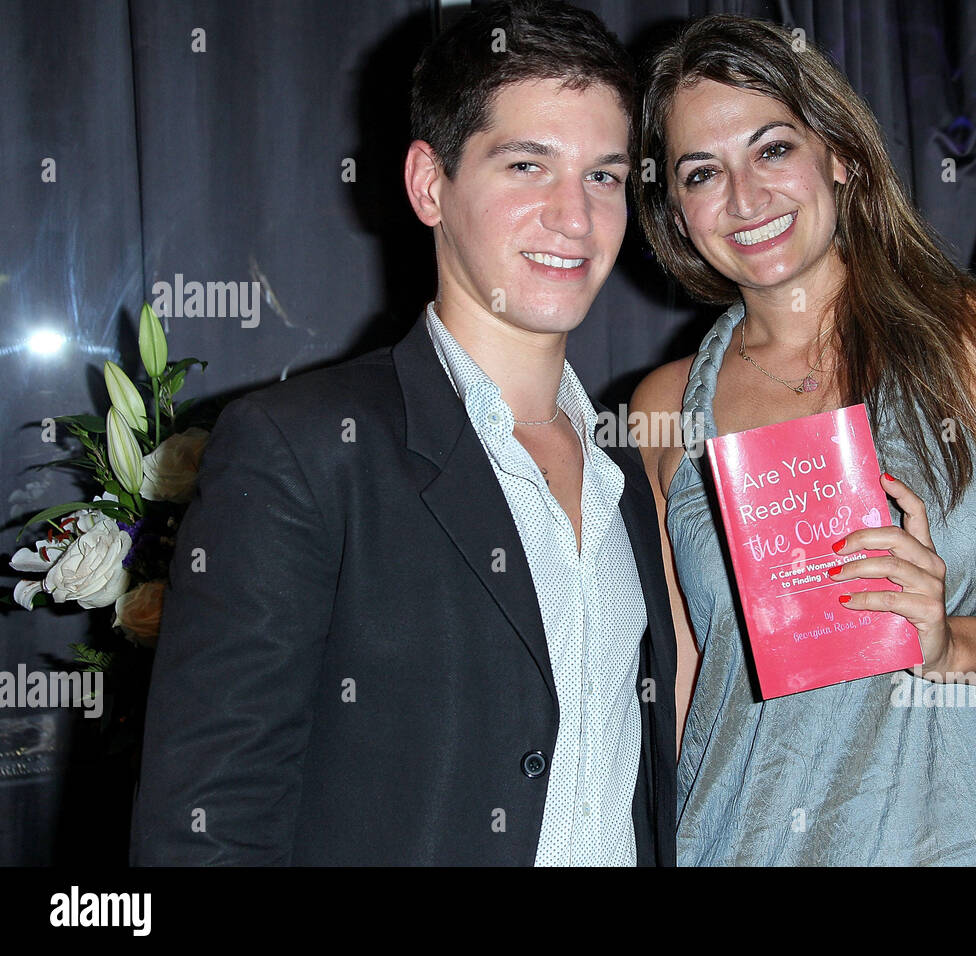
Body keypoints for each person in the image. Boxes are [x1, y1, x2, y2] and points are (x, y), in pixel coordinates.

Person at [131, 0, 676, 867]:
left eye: (604, 176)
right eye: (528, 164)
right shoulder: (299, 452)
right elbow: (206, 828)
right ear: (431, 184)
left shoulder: (630, 477)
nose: (575, 216)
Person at [630, 14, 976, 865]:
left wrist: (953, 643)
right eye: (702, 172)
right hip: (752, 842)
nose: (745, 197)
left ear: (838, 154)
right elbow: (695, 687)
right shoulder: (666, 407)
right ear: (676, 209)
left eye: (772, 150)